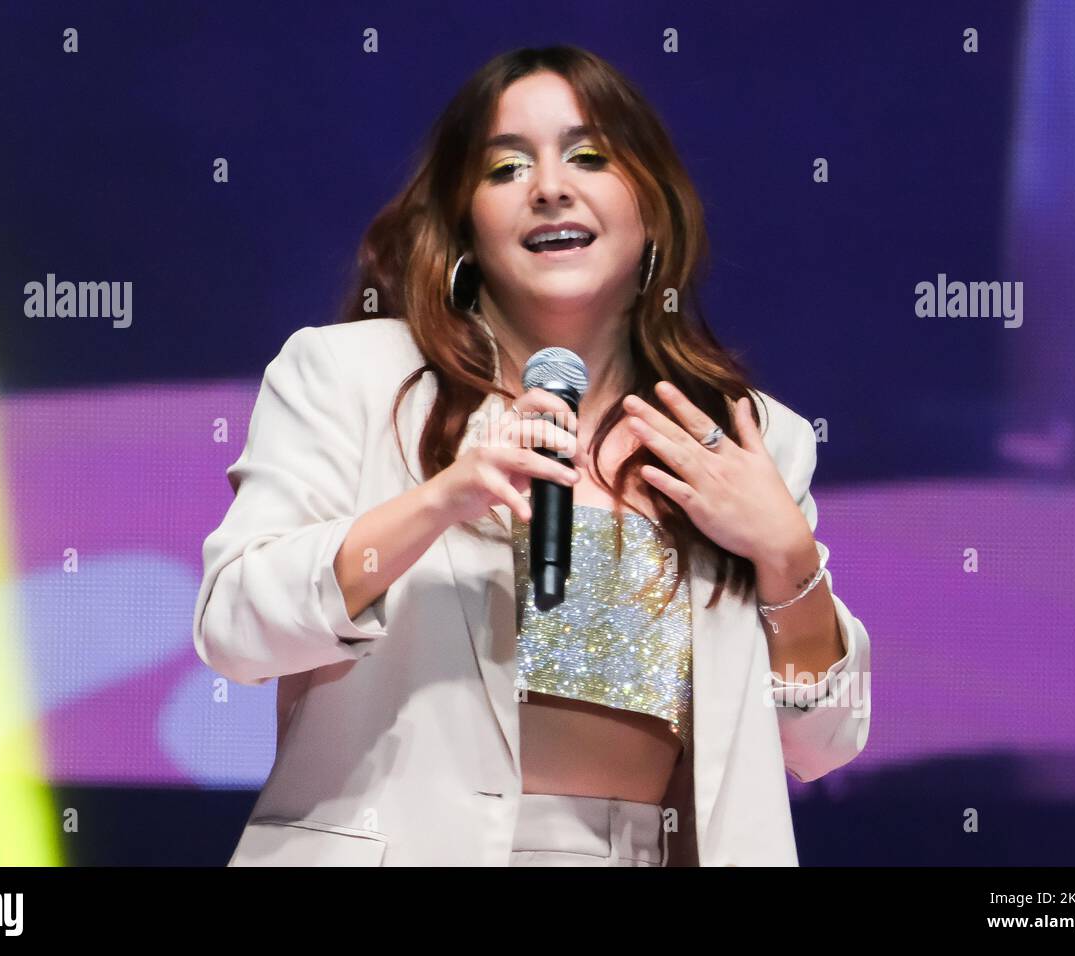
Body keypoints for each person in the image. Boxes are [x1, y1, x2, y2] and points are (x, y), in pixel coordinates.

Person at [193, 45, 871, 866]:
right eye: (506, 167)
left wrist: (786, 555)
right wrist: (440, 501)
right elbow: (236, 626)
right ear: (466, 226)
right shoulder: (351, 377)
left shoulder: (746, 436)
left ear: (652, 208)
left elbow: (823, 742)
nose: (550, 186)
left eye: (589, 156)